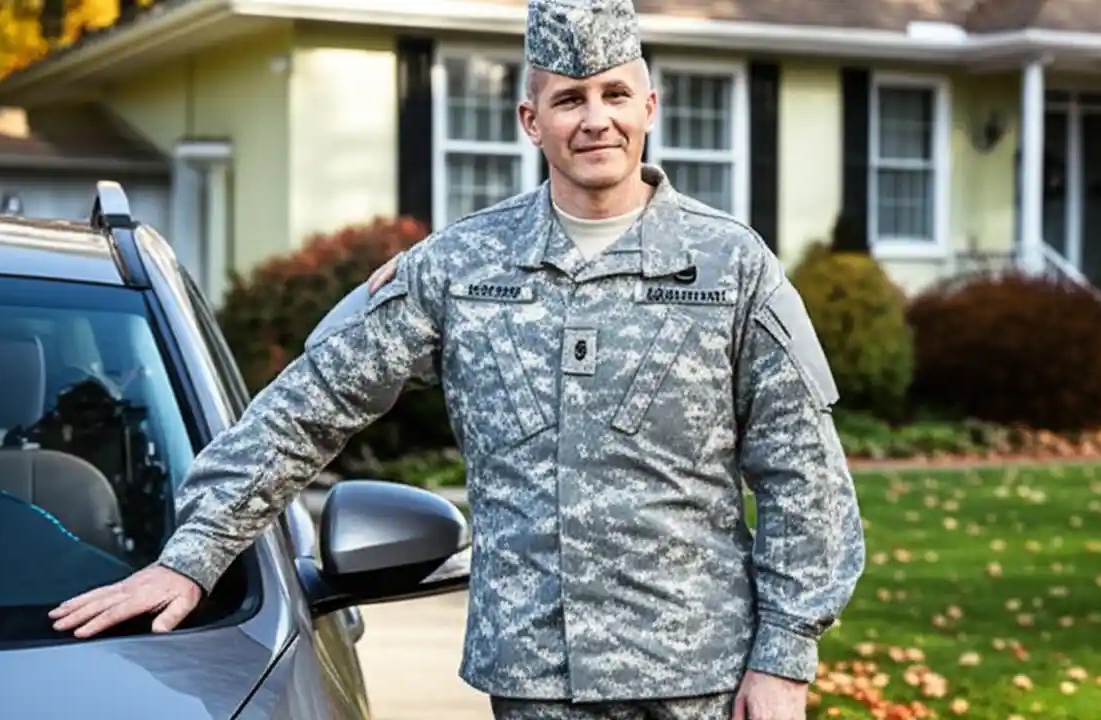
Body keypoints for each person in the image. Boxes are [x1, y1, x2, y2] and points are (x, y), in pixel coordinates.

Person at [48, 0, 866, 717]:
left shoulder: (730, 267)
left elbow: (804, 474)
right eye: (569, 99)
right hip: (534, 682)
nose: (595, 119)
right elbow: (306, 409)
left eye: (616, 94)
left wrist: (783, 659)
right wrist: (193, 558)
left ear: (649, 105)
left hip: (702, 679)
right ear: (529, 119)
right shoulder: (460, 269)